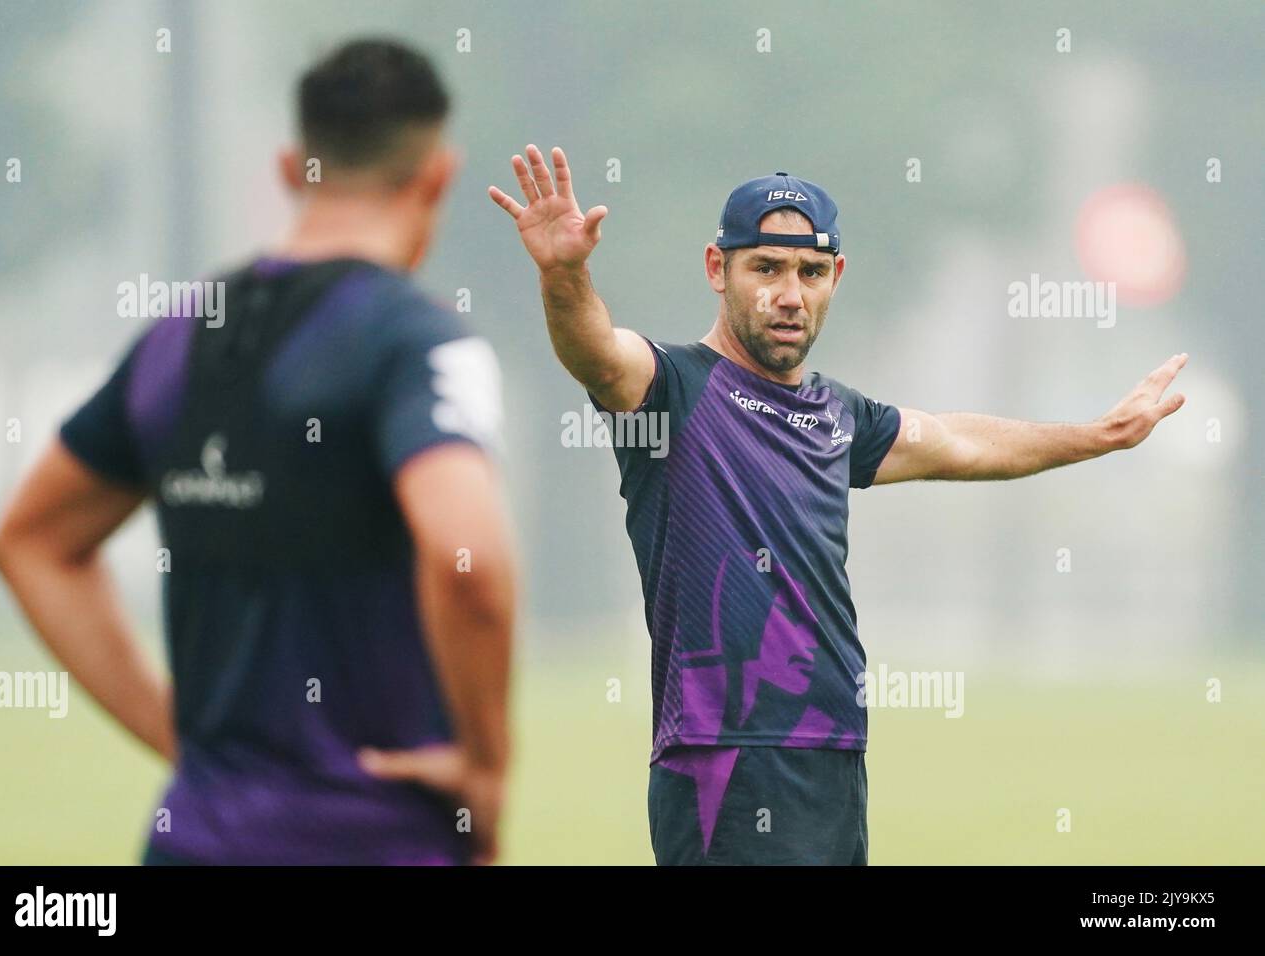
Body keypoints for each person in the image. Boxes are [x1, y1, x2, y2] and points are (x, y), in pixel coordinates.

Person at [489, 145, 1187, 865]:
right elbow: (597, 352)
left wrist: (1100, 436)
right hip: (720, 753)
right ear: (716, 269)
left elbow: (959, 442)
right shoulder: (670, 391)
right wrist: (564, 272)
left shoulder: (837, 416)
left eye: (810, 272)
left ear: (835, 278)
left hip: (833, 750)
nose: (790, 294)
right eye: (766, 268)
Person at [0, 38, 515, 866]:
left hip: (196, 840)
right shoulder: (416, 343)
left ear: (288, 168)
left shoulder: (174, 340)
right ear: (438, 176)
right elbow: (469, 560)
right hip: (376, 840)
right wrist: (486, 767)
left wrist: (189, 743)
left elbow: (30, 543)